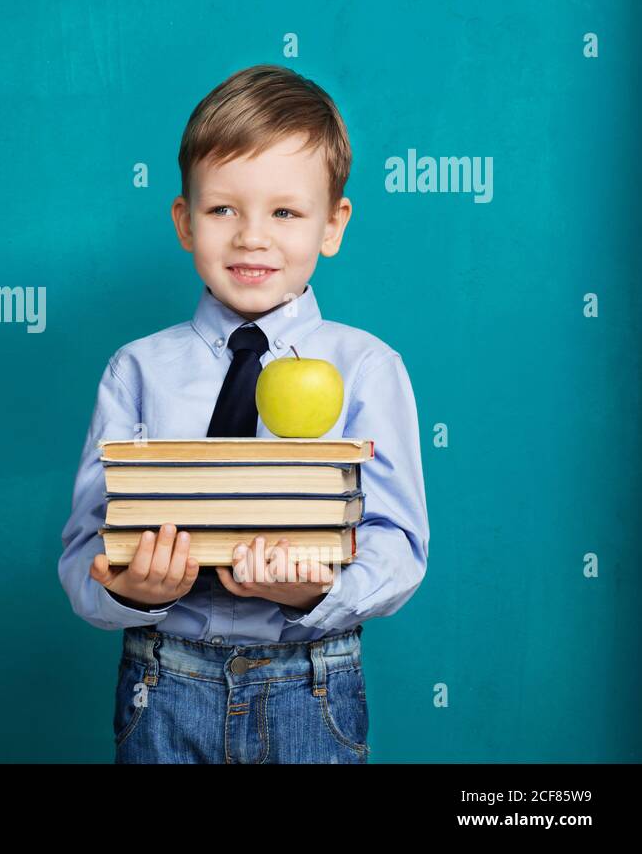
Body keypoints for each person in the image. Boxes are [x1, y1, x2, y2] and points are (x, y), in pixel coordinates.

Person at [57, 64, 429, 763]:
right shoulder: (135, 370)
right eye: (223, 209)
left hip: (310, 684)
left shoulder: (367, 367)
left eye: (285, 212)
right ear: (184, 222)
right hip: (165, 682)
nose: (252, 236)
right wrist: (133, 592)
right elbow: (83, 553)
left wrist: (320, 587)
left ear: (332, 224)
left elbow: (401, 545)